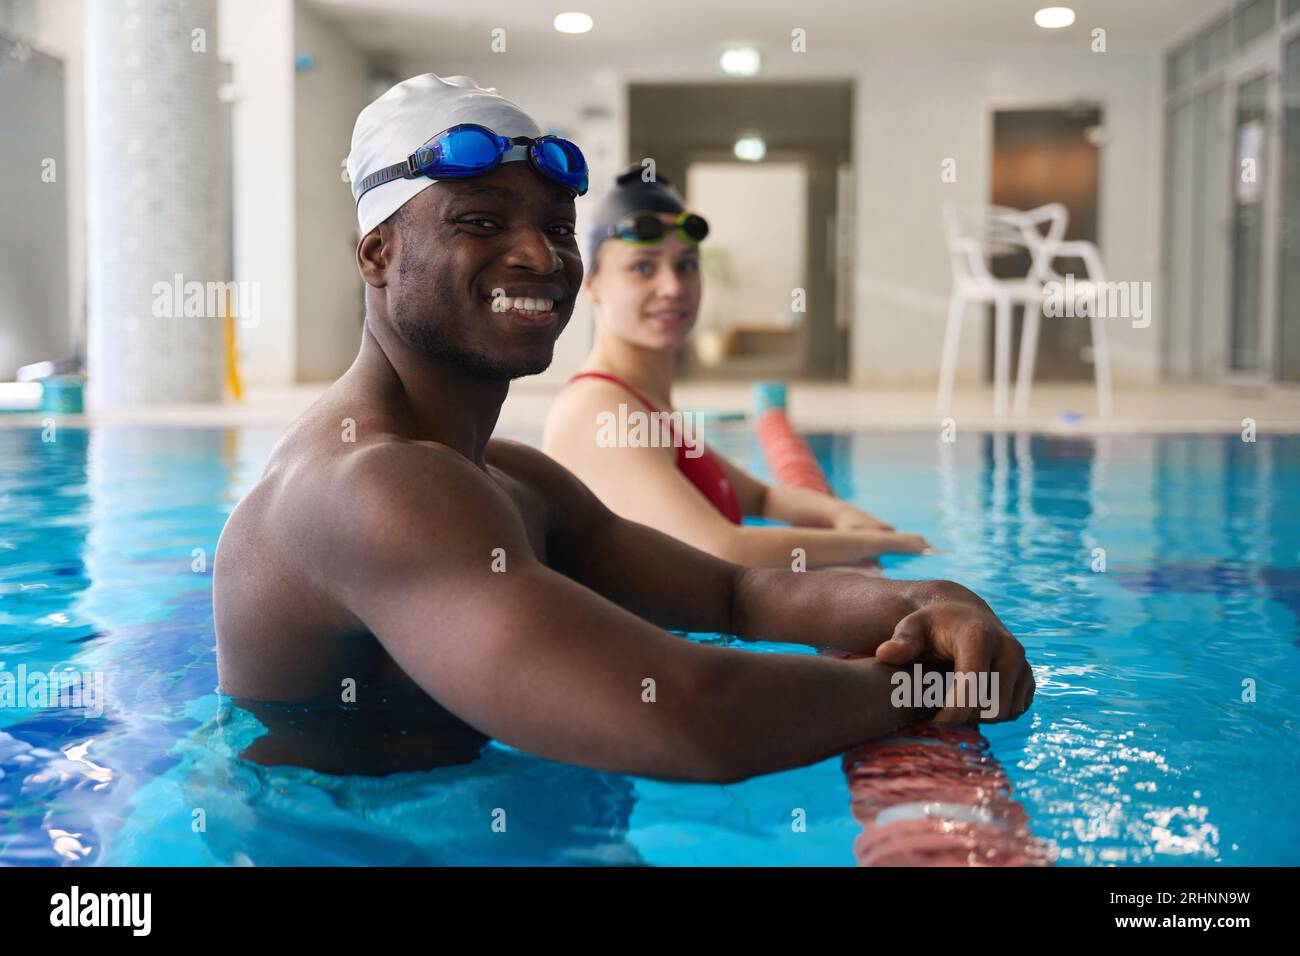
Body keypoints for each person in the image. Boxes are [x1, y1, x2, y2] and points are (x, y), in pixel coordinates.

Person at [213, 74, 1034, 782]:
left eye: (558, 227)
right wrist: (932, 685)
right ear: (377, 253)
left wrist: (928, 597)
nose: (538, 254)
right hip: (330, 838)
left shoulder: (510, 480)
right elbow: (689, 715)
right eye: (480, 221)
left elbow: (735, 594)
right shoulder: (371, 484)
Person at [542, 166, 930, 568]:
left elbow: (763, 497)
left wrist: (841, 516)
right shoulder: (599, 412)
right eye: (643, 267)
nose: (673, 287)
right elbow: (722, 551)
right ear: (592, 284)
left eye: (686, 265)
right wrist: (884, 545)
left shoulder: (643, 403)